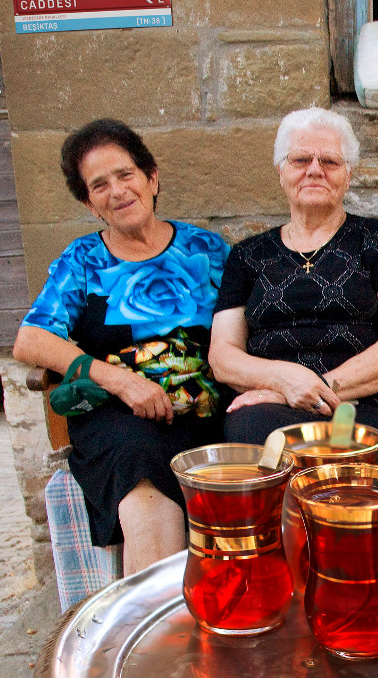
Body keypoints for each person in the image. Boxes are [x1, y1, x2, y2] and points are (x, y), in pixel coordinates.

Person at [13, 118, 230, 575]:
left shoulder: (207, 250)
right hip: (119, 416)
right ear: (90, 204)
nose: (116, 191)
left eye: (125, 174)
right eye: (99, 185)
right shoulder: (83, 261)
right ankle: (154, 632)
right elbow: (31, 338)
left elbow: (243, 325)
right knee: (142, 472)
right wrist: (118, 380)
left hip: (205, 412)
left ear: (151, 178)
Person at [209, 107, 378, 447]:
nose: (314, 171)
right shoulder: (247, 255)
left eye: (330, 162)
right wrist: (284, 382)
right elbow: (223, 356)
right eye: (300, 160)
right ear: (281, 171)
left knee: (340, 447)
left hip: (359, 406)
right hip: (266, 412)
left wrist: (312, 389)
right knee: (253, 432)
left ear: (348, 174)